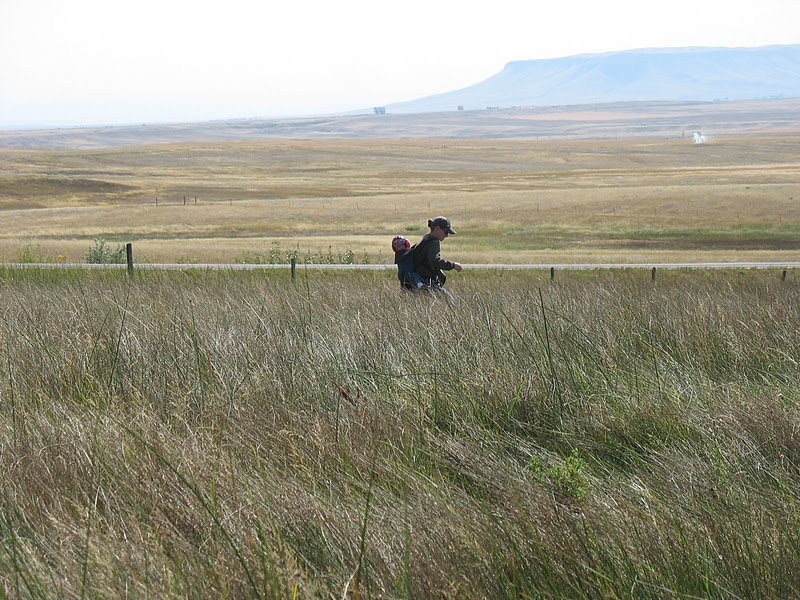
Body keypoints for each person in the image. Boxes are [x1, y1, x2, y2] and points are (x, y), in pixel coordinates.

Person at [411, 216, 463, 291]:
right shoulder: (433, 242)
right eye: (445, 232)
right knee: (449, 301)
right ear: (437, 228)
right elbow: (435, 261)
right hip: (426, 282)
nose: (447, 235)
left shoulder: (425, 239)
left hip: (418, 282)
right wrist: (453, 265)